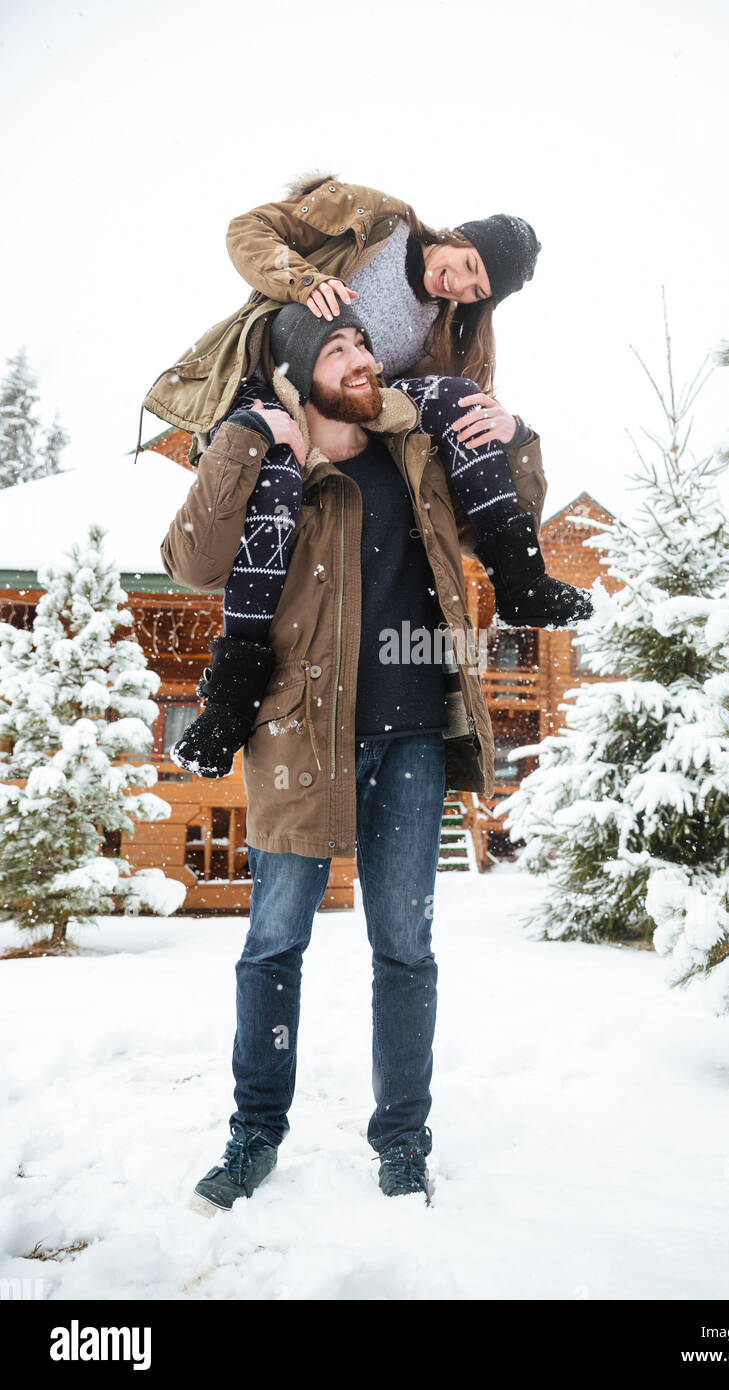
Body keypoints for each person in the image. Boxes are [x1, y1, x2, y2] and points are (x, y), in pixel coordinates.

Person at [159, 309, 606, 1210]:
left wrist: (518, 439)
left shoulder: (418, 453)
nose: (362, 358)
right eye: (338, 349)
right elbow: (190, 563)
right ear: (296, 375)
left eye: (364, 345)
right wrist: (248, 439)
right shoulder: (277, 466)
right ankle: (254, 1135)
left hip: (412, 739)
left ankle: (403, 1139)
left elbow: (502, 522)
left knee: (405, 950)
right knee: (273, 944)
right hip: (295, 737)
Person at [161, 173, 597, 776]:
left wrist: (510, 433)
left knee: (456, 395)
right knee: (278, 482)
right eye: (468, 263)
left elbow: (430, 431)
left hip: (347, 419)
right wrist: (304, 280)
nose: (462, 285)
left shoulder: (441, 329)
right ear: (458, 235)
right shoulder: (374, 220)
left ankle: (520, 578)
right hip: (268, 385)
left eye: (478, 289)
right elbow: (248, 230)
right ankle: (230, 704)